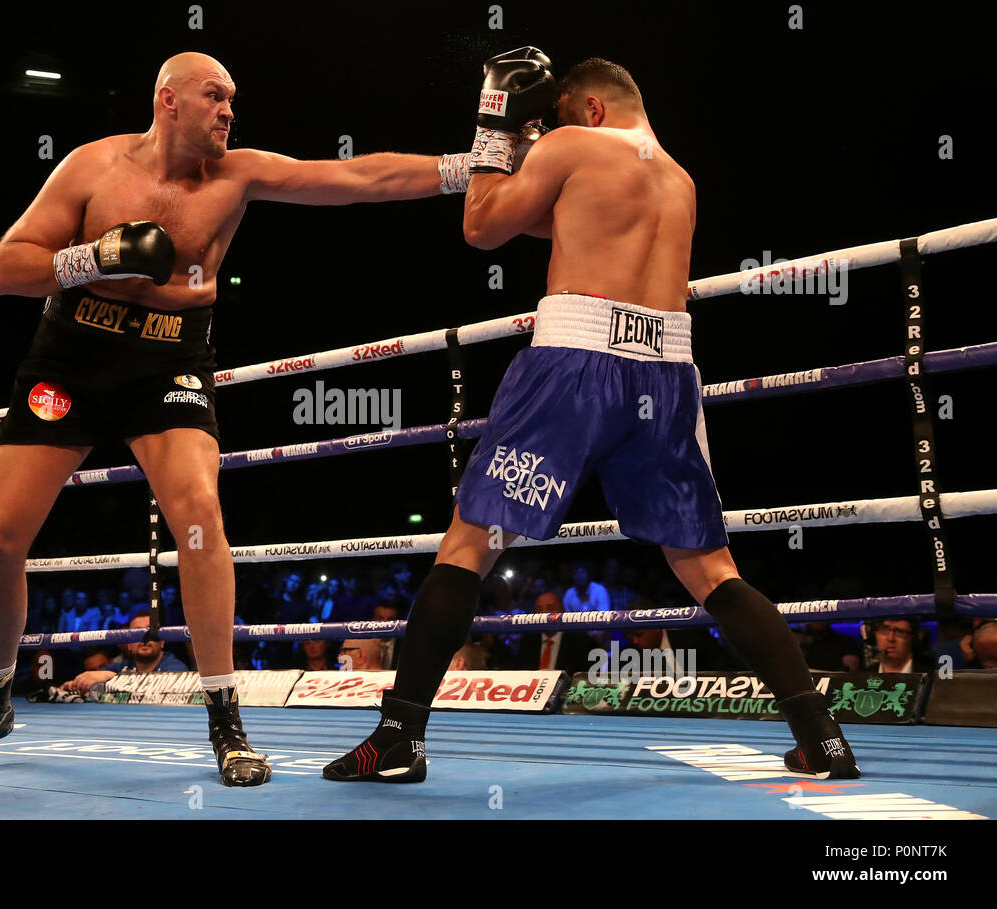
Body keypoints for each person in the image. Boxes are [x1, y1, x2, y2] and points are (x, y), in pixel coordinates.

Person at [0, 51, 475, 786]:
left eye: (232, 100)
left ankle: (225, 716)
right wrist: (93, 256)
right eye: (214, 96)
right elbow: (5, 267)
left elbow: (357, 178)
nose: (228, 110)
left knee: (199, 514)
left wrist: (471, 166)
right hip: (72, 356)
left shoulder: (238, 173)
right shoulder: (92, 167)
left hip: (168, 361)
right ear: (168, 101)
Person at [325, 50, 860, 784]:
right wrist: (526, 155)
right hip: (668, 369)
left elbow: (481, 225)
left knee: (468, 543)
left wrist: (493, 123)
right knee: (710, 567)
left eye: (564, 115)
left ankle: (397, 737)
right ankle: (821, 738)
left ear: (594, 109)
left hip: (575, 363)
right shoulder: (679, 181)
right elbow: (560, 216)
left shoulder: (572, 146)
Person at [61, 611, 189, 695]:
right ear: (128, 644)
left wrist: (111, 677)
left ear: (162, 642)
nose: (144, 638)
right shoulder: (120, 667)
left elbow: (160, 687)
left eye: (151, 631)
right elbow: (94, 680)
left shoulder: (175, 667)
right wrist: (77, 685)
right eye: (137, 633)